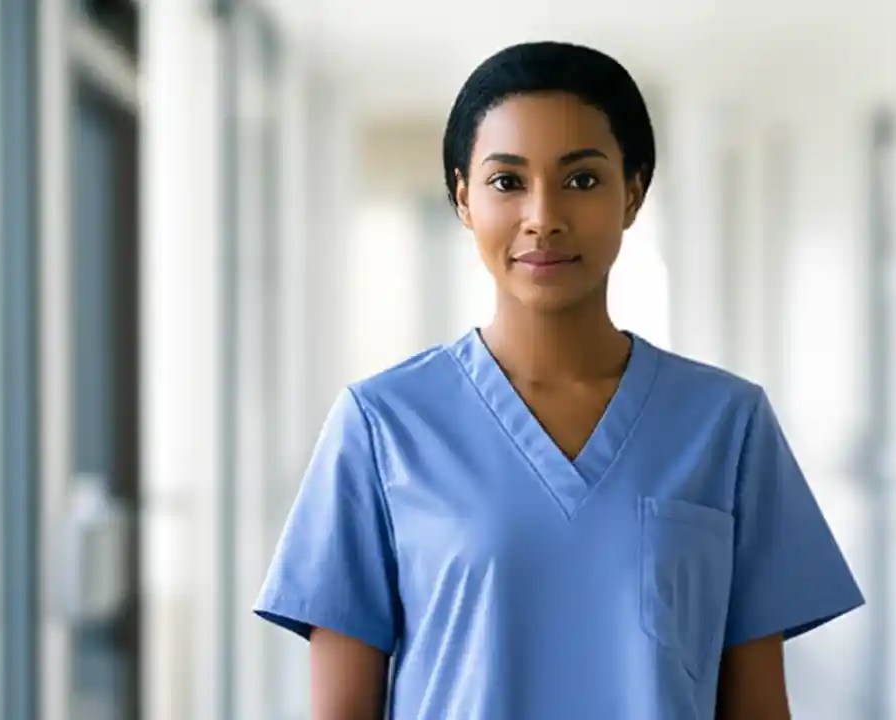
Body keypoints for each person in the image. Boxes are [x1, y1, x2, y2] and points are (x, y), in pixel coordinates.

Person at [254, 40, 864, 720]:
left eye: (581, 180)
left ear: (632, 194)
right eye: (507, 182)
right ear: (463, 199)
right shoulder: (380, 425)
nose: (542, 216)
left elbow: (758, 708)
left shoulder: (726, 425)